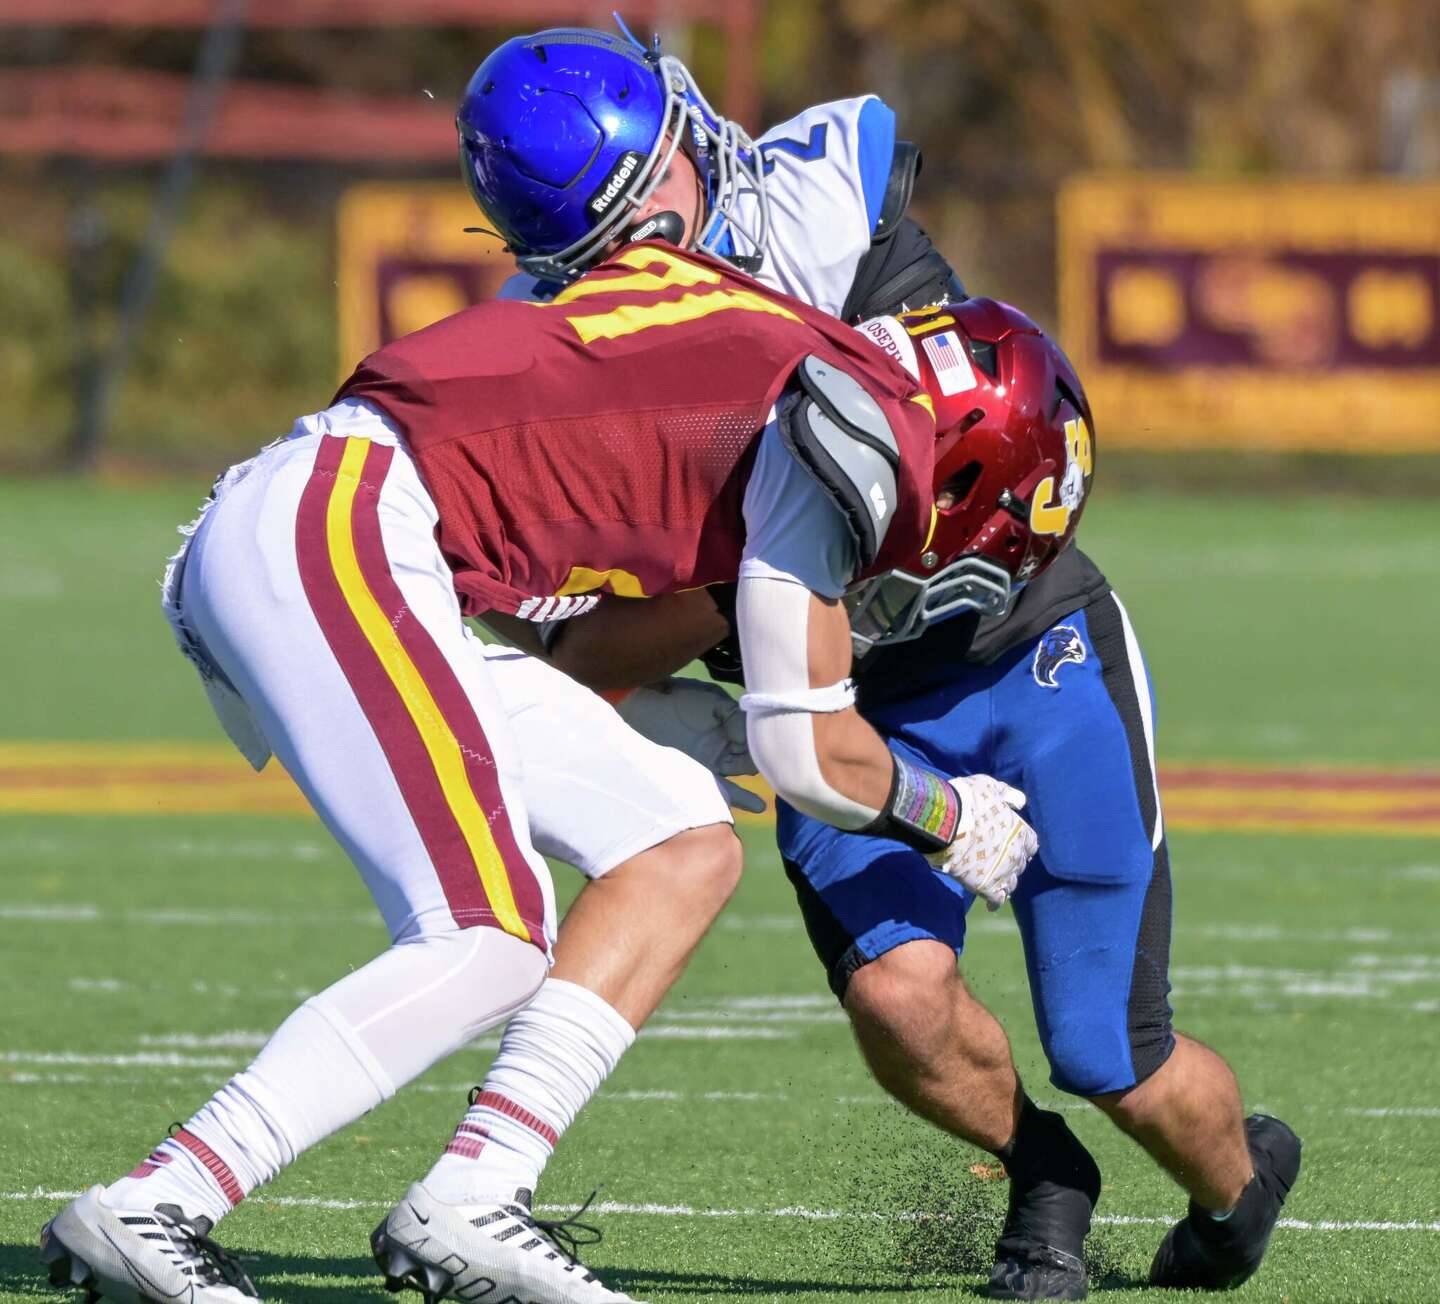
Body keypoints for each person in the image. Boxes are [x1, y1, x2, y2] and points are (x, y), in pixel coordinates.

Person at [460, 25, 1302, 1300]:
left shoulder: (816, 215)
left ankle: (1239, 1191)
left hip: (1019, 644)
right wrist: (636, 602)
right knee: (900, 997)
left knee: (1110, 1050)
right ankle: (1042, 1170)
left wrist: (722, 568)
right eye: (616, 238)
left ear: (688, 127)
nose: (662, 241)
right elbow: (578, 633)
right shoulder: (556, 353)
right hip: (831, 702)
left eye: (662, 192)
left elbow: (962, 455)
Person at [38, 240, 1036, 1304]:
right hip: (347, 525)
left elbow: (551, 528)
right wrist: (950, 815)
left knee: (678, 839)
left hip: (367, 533)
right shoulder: (854, 419)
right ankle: (160, 1198)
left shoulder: (775, 333)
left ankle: (473, 1196)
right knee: (485, 935)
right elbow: (812, 753)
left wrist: (675, 715)